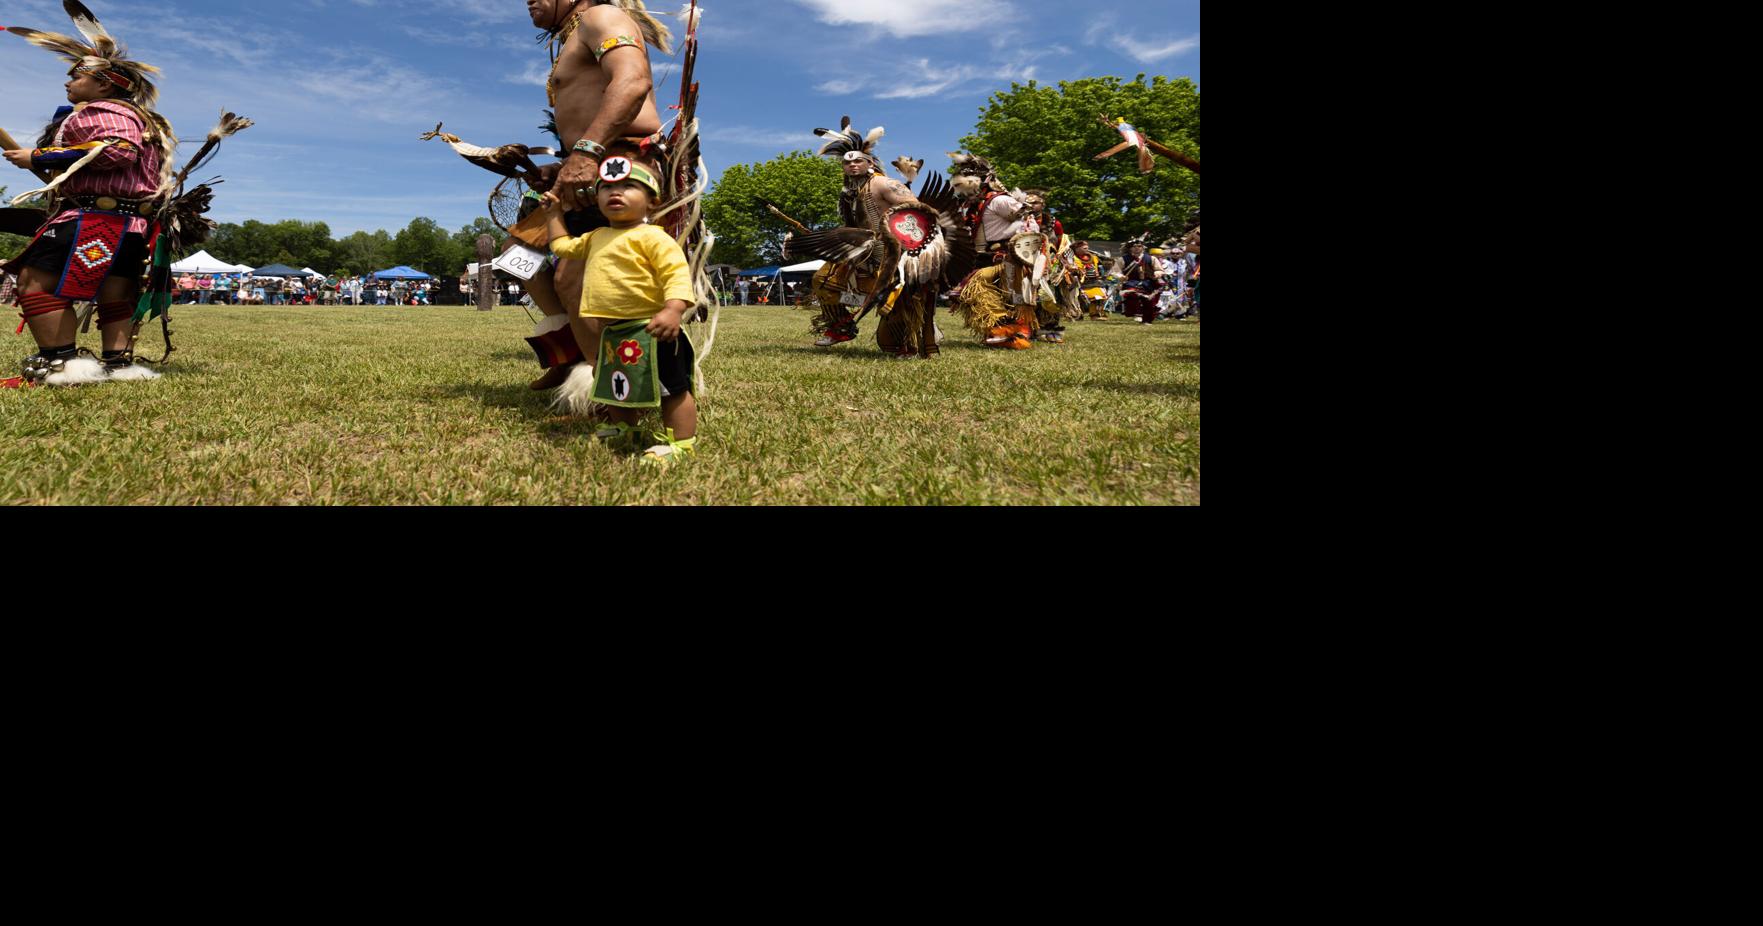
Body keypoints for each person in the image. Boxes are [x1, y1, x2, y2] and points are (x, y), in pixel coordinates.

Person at [1, 3, 178, 384]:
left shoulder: (103, 110)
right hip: (127, 222)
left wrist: (38, 156)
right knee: (116, 290)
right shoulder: (136, 116)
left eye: (76, 76)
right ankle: (117, 364)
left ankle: (63, 364)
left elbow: (118, 150)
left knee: (35, 281)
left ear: (105, 84)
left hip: (96, 220)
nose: (68, 83)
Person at [508, 0, 676, 393]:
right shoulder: (574, 35)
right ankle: (570, 353)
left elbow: (632, 83)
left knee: (574, 278)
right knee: (519, 253)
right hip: (589, 162)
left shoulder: (602, 17)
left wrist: (586, 152)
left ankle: (616, 393)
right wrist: (563, 164)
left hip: (619, 164)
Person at [541, 147, 698, 465]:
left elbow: (676, 275)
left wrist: (673, 309)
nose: (616, 193)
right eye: (608, 188)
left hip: (652, 330)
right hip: (612, 332)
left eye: (629, 186)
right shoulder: (596, 237)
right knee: (616, 386)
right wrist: (553, 214)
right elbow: (562, 247)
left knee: (672, 390)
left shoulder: (655, 238)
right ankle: (626, 429)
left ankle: (681, 443)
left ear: (652, 202)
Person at [1119, 236, 1164, 325]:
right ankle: (1137, 313)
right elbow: (1115, 271)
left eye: (1139, 246)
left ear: (1143, 247)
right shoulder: (1123, 259)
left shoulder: (1151, 258)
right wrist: (1120, 276)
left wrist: (1157, 274)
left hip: (1148, 283)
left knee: (1149, 301)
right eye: (1134, 246)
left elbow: (1159, 270)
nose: (1137, 248)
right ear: (1130, 248)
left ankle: (1147, 320)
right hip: (1131, 283)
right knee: (1132, 295)